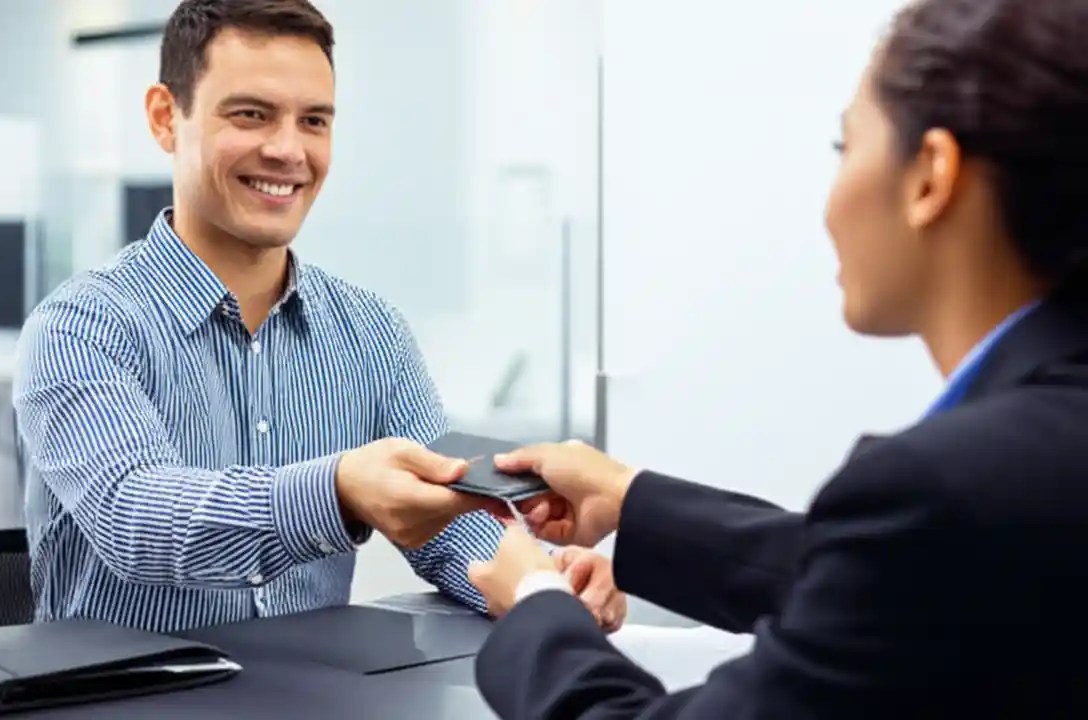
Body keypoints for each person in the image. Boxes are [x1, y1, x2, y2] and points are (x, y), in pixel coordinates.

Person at [465, 0, 1088, 716]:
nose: (829, 201)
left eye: (844, 147)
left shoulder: (945, 489)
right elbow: (904, 581)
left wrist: (537, 605)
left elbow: (914, 553)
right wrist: (628, 497)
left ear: (930, 176)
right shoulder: (1022, 478)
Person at [13, 0, 622, 633]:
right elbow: (135, 517)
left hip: (315, 692)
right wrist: (336, 492)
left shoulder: (368, 332)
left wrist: (547, 582)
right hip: (128, 695)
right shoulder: (81, 326)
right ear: (167, 118)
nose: (287, 150)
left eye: (314, 121)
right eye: (251, 115)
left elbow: (449, 522)